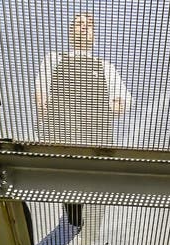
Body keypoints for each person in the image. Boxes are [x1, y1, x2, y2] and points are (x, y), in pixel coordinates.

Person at [36, 12, 131, 227]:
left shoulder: (105, 66)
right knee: (70, 185)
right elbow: (41, 95)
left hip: (94, 138)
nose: (85, 27)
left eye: (90, 25)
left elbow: (122, 100)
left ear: (94, 35)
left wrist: (98, 115)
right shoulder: (54, 59)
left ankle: (79, 209)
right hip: (61, 135)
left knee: (85, 183)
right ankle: (74, 212)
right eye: (79, 23)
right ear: (70, 32)